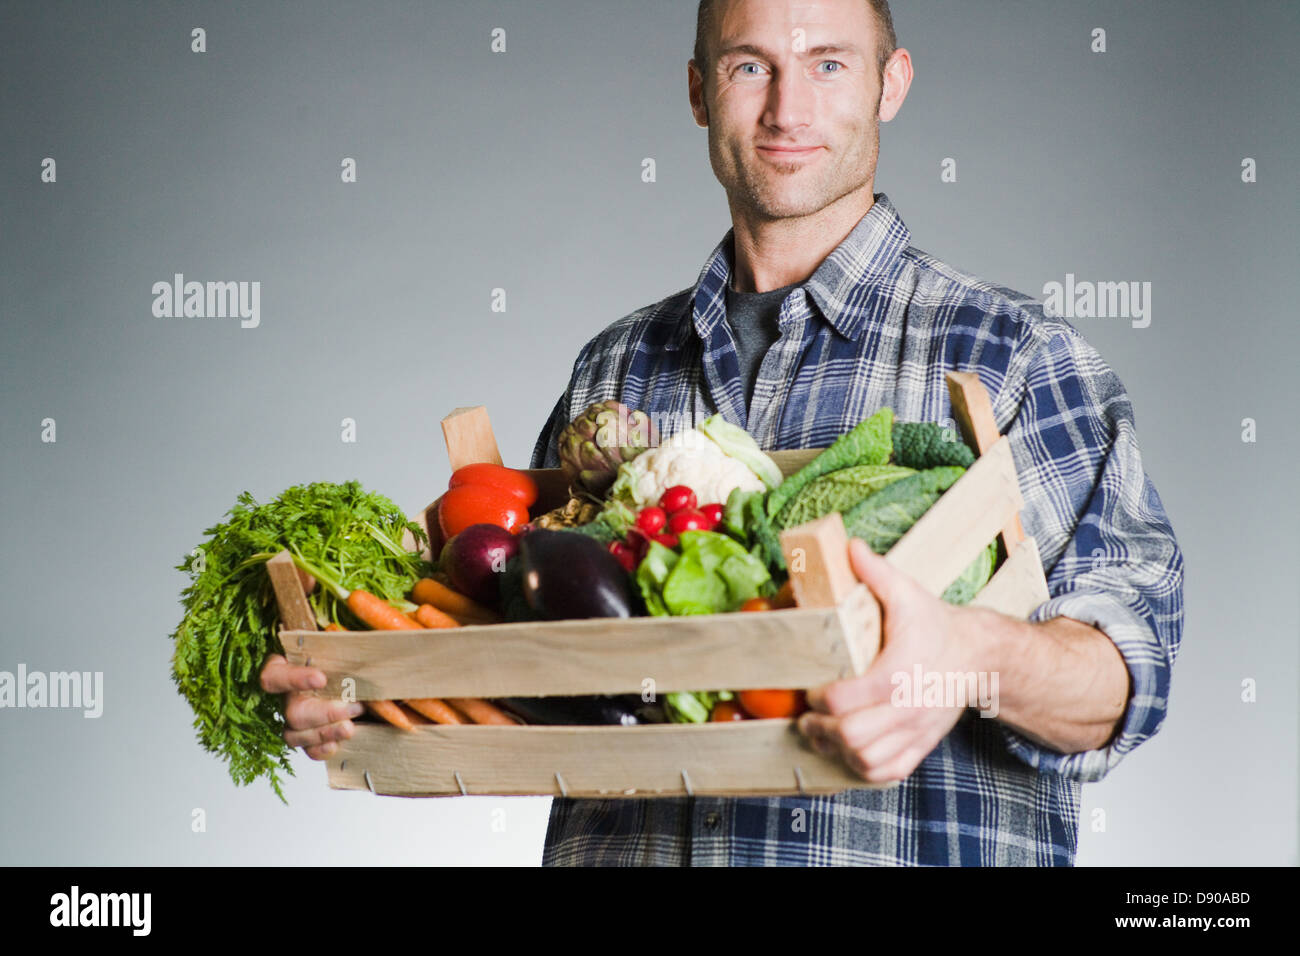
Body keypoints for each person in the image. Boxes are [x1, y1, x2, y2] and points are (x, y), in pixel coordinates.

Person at [263, 0, 1184, 866]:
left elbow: (1128, 670)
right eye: (752, 65)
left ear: (889, 83)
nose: (788, 107)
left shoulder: (1016, 357)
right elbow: (537, 676)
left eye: (828, 62)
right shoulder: (612, 370)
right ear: (701, 89)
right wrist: (371, 700)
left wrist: (967, 655)